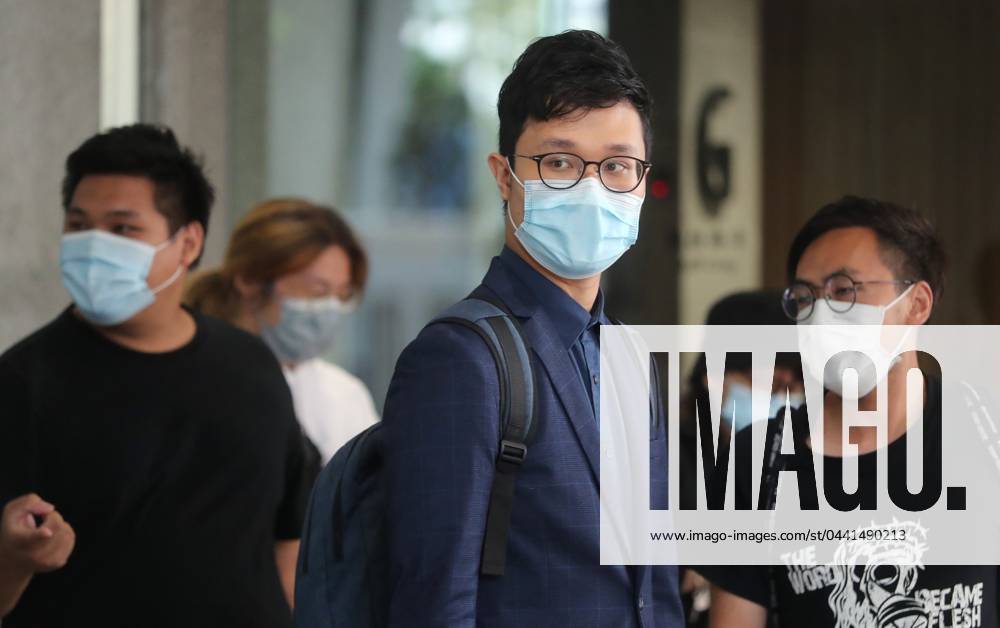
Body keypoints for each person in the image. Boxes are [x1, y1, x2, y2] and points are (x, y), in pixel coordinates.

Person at [382, 30, 682, 626]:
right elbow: (433, 601)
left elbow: (653, 579)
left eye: (618, 165)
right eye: (559, 161)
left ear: (643, 182)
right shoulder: (459, 359)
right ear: (504, 175)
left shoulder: (630, 354)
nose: (592, 186)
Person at [0, 124, 311, 627]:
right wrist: (15, 559)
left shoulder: (251, 366)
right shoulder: (22, 383)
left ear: (187, 243)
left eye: (122, 229)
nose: (93, 246)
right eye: (79, 226)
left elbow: (289, 533)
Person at [701, 196, 999, 627]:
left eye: (844, 290)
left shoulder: (986, 432)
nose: (820, 314)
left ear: (916, 305)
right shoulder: (757, 461)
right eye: (804, 298)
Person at [186, 198, 378, 463]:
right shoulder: (195, 376)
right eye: (317, 291)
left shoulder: (344, 396)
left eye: (342, 295)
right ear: (249, 279)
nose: (330, 309)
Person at [677, 290, 804, 628]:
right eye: (769, 382)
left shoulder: (802, 464)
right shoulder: (665, 460)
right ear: (713, 377)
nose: (782, 400)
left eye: (794, 389)